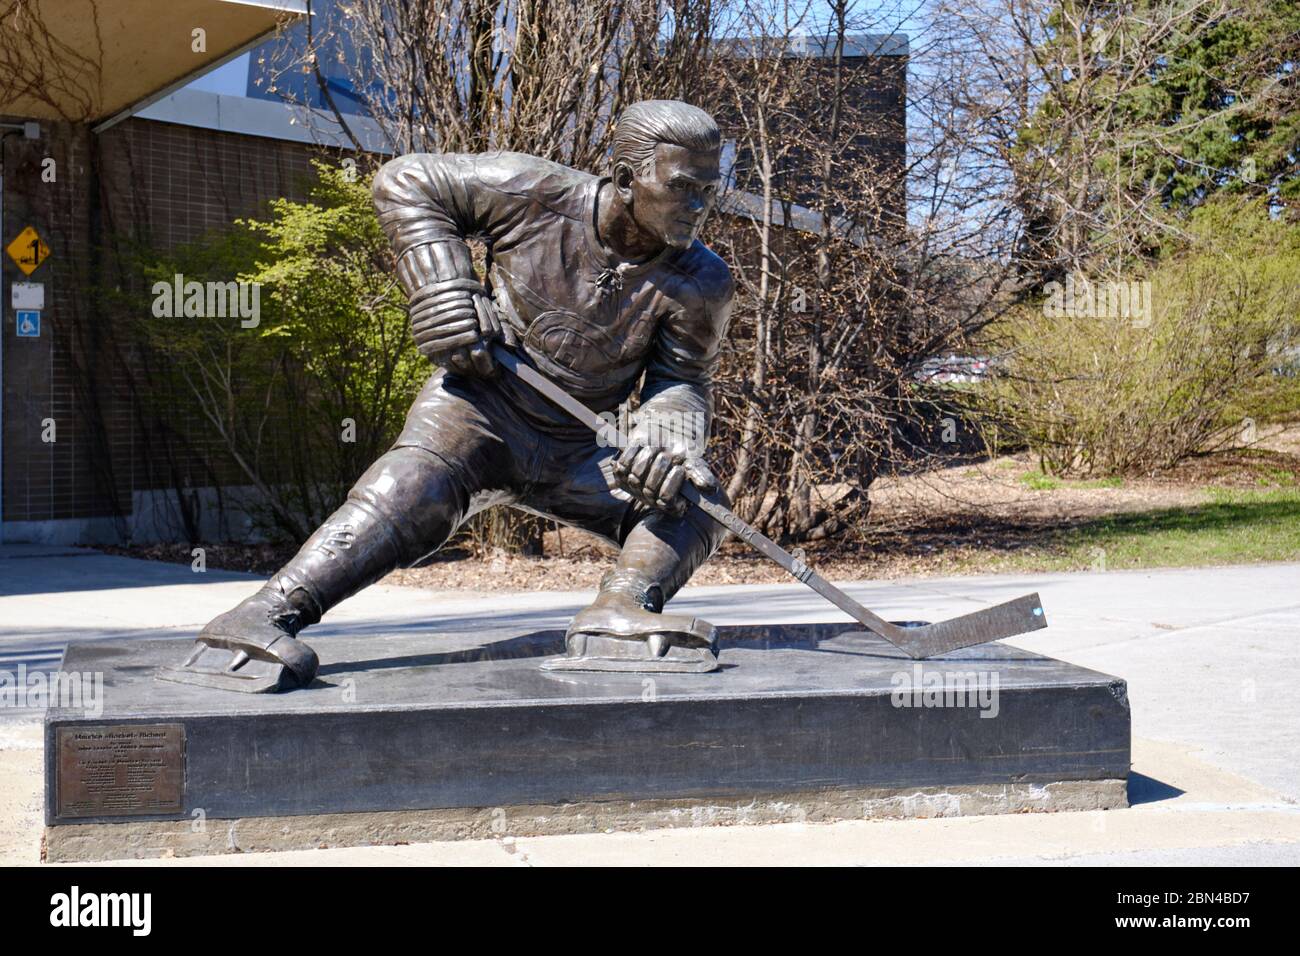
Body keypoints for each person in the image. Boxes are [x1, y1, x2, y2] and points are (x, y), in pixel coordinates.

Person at [190, 100, 735, 688]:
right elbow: (406, 180)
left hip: (579, 448)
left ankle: (620, 608)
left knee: (696, 502)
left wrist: (665, 439)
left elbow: (682, 380)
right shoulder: (532, 191)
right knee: (409, 490)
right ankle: (265, 612)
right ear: (627, 179)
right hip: (478, 410)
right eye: (683, 188)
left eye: (709, 189)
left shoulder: (703, 282)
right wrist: (443, 283)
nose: (699, 207)